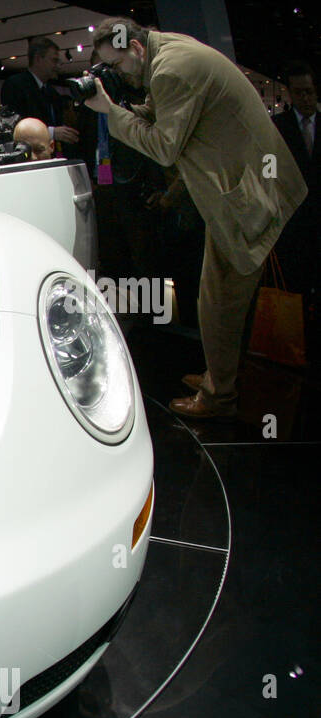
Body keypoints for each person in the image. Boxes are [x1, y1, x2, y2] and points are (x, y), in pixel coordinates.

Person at [84, 17, 307, 419]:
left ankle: (220, 397)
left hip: (245, 200)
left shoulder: (170, 69)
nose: (117, 74)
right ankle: (220, 376)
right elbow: (163, 110)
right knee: (222, 296)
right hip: (249, 187)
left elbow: (164, 148)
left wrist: (111, 113)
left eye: (116, 67)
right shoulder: (167, 49)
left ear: (135, 49)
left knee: (218, 301)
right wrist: (127, 102)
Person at [272, 60, 319, 349]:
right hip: (292, 222)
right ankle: (295, 344)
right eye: (299, 93)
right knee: (293, 288)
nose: (305, 98)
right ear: (289, 94)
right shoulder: (278, 128)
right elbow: (268, 168)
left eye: (310, 92)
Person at [0, 37, 81, 154]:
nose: (58, 66)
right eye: (54, 60)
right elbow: (12, 127)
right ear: (38, 59)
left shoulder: (51, 92)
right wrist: (51, 133)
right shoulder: (15, 85)